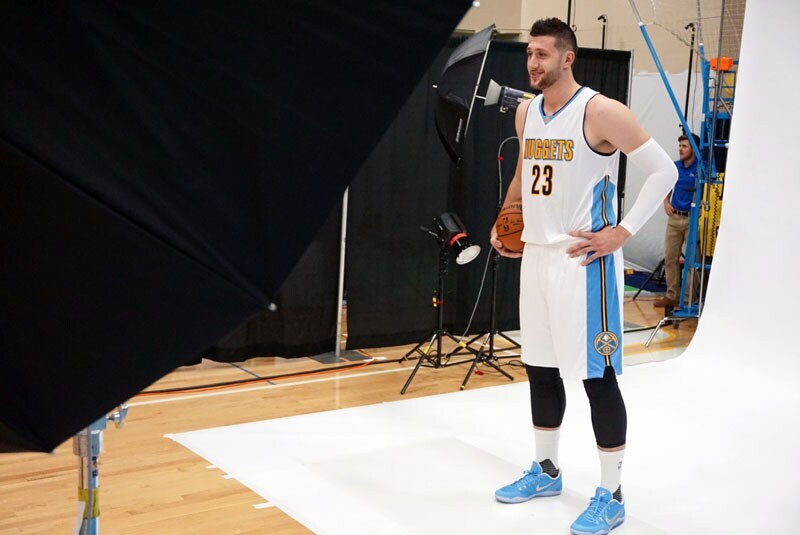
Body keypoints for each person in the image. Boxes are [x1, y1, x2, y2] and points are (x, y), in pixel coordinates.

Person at [489, 18, 677, 535]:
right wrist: (506, 219)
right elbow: (527, 173)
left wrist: (622, 230)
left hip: (584, 263)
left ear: (568, 58)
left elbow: (665, 170)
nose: (532, 63)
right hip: (537, 258)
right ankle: (546, 470)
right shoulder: (526, 113)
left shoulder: (600, 111)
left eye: (543, 55)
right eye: (529, 54)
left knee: (597, 376)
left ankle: (612, 493)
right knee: (540, 368)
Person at [653, 134, 699, 308]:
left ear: (693, 149)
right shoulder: (675, 167)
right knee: (670, 258)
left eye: (684, 146)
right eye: (679, 145)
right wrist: (666, 202)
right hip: (674, 218)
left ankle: (688, 299)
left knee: (692, 260)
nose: (680, 149)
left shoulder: (700, 168)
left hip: (691, 220)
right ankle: (672, 295)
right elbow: (667, 185)